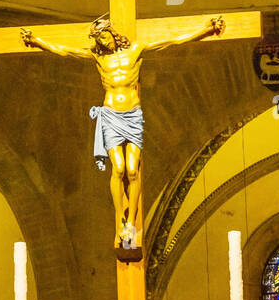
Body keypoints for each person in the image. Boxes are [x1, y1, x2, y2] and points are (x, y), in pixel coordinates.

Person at [21, 13, 225, 249]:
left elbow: (174, 41)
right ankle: (120, 223)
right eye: (98, 39)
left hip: (132, 115)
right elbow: (64, 51)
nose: (103, 42)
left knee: (133, 170)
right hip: (110, 115)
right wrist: (37, 41)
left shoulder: (136, 50)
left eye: (105, 37)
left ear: (112, 33)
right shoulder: (98, 58)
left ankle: (131, 222)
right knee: (118, 169)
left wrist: (205, 30)